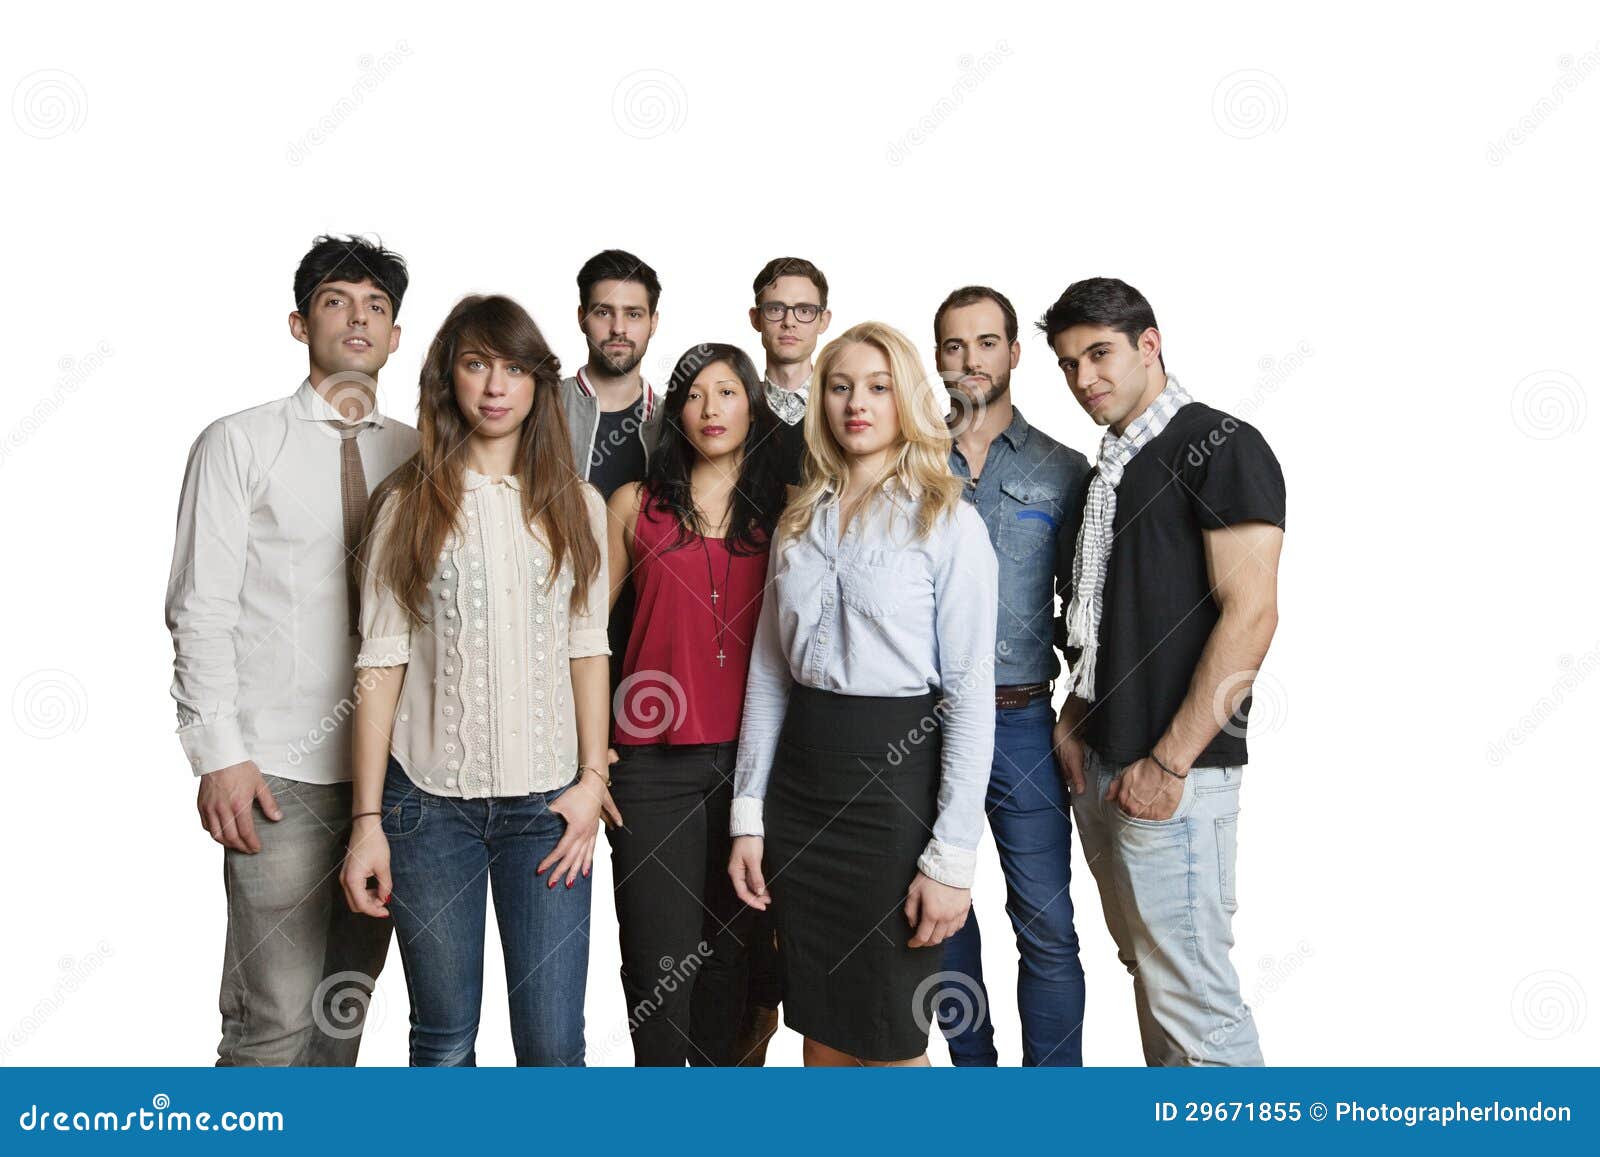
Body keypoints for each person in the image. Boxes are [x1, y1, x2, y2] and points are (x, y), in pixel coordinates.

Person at [339, 294, 619, 1066]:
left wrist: (593, 778)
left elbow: (587, 646)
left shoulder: (578, 505)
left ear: (538, 384)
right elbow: (380, 664)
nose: (496, 386)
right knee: (443, 1037)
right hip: (428, 813)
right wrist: (368, 820)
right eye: (476, 364)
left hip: (548, 808)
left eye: (515, 367)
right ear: (449, 379)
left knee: (554, 1044)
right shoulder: (408, 506)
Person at [166, 234, 417, 1066]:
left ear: (395, 336)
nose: (358, 319)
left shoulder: (421, 454)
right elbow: (199, 608)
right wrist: (219, 755)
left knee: (341, 1011)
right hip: (275, 769)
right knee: (270, 1019)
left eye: (376, 307)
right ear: (298, 322)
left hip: (388, 777)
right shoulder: (238, 442)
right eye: (337, 302)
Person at [728, 321, 999, 1066]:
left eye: (878, 387)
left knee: (888, 1027)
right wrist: (749, 814)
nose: (857, 403)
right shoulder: (796, 522)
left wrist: (951, 858)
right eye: (841, 386)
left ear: (906, 398)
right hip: (802, 788)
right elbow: (769, 676)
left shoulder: (950, 522)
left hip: (894, 792)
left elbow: (971, 697)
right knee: (823, 1023)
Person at [1043, 278, 1285, 1066]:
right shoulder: (1109, 471)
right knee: (1154, 979)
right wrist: (1076, 715)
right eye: (1069, 363)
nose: (1084, 379)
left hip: (1175, 773)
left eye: (1100, 354)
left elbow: (1252, 615)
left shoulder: (1220, 444)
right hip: (1109, 764)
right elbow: (1111, 612)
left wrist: (1171, 760)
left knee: (1194, 999)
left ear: (1151, 343)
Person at [603, 343, 788, 1065]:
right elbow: (579, 636)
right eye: (694, 395)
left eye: (727, 392)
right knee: (657, 964)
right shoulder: (632, 506)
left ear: (753, 404)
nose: (711, 409)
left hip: (754, 768)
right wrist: (592, 754)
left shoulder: (788, 512)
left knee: (732, 961)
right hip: (651, 767)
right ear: (674, 411)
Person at [934, 286, 1092, 1066]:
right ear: (937, 358)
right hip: (922, 729)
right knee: (940, 916)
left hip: (1022, 719)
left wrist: (1076, 714)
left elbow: (1086, 612)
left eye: (986, 343)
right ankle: (977, 1089)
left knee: (1048, 926)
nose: (970, 360)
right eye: (955, 346)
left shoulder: (1065, 471)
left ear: (1013, 355)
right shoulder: (905, 461)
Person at [560, 248, 667, 693]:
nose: (619, 328)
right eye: (605, 312)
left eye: (634, 314)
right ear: (583, 316)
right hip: (549, 631)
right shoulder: (538, 407)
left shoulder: (679, 425)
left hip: (643, 644)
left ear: (653, 322)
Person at [748, 256, 832, 485]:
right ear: (756, 319)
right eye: (775, 308)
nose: (789, 322)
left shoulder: (845, 405)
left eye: (805, 311)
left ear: (823, 321)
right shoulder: (736, 407)